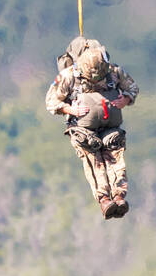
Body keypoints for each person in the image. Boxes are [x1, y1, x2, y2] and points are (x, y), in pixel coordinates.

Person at [45, 37, 139, 219]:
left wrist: (125, 100)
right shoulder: (69, 76)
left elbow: (133, 88)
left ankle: (119, 195)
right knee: (94, 161)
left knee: (116, 158)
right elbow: (51, 101)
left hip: (110, 127)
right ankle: (104, 199)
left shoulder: (113, 72)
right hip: (84, 130)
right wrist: (70, 108)